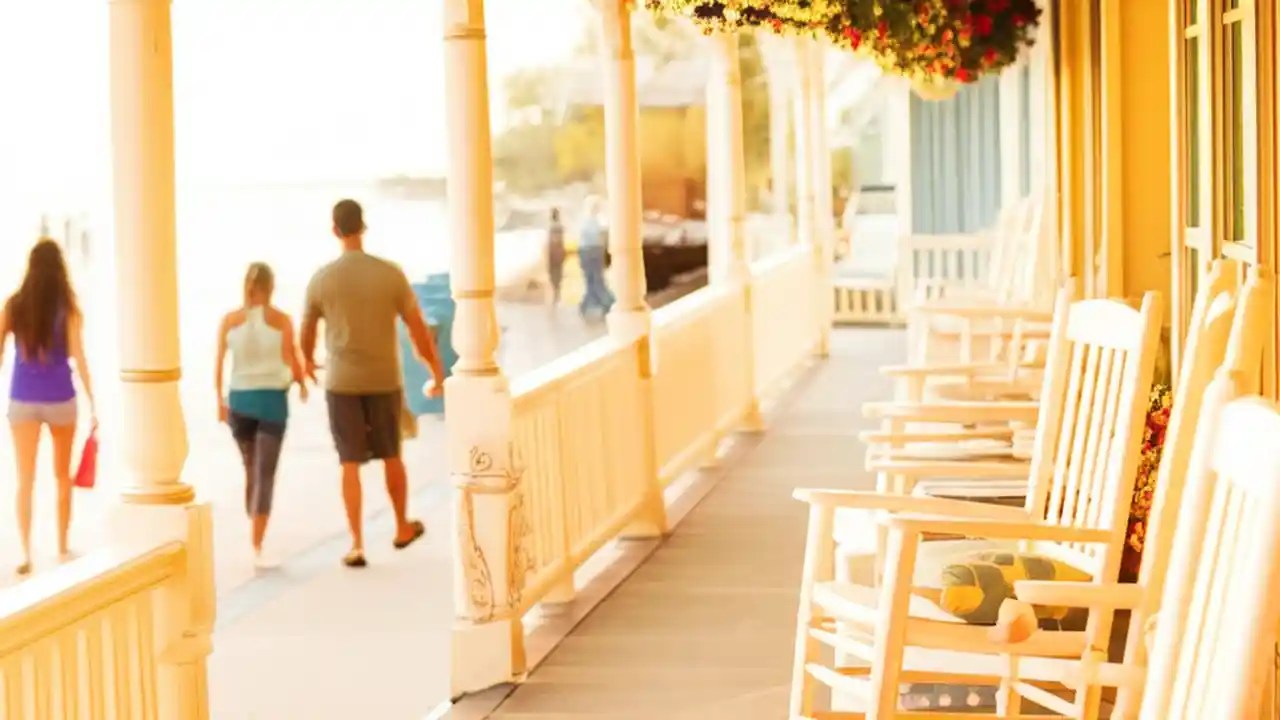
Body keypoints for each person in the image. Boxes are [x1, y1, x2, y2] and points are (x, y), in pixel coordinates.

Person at [300, 199, 446, 568]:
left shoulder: (321, 279)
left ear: (335, 230)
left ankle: (357, 544)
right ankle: (400, 526)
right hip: (384, 379)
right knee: (392, 454)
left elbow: (306, 334)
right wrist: (435, 372)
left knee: (349, 462)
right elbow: (418, 332)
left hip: (341, 382)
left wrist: (309, 364)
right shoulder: (390, 274)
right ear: (363, 228)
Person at [0, 239, 96, 576]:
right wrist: (93, 400)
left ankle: (26, 553)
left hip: (23, 400)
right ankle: (62, 546)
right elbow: (78, 356)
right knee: (61, 478)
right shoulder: (66, 308)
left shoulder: (14, 306)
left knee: (24, 480)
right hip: (60, 400)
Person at [215, 262, 307, 569]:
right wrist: (303, 381)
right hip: (271, 403)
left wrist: (219, 401)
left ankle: (254, 524)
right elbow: (291, 360)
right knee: (264, 473)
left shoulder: (230, 320)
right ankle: (256, 542)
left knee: (251, 469)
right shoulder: (281, 320)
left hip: (239, 402)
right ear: (271, 287)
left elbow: (219, 364)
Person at [577, 197, 615, 318]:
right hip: (595, 251)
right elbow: (603, 238)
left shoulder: (586, 221)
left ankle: (603, 303)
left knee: (592, 280)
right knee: (596, 279)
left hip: (587, 251)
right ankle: (601, 303)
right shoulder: (599, 221)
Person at [546, 208, 566, 305]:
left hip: (553, 253)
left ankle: (556, 295)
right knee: (557, 274)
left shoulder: (553, 227)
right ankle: (557, 294)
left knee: (554, 274)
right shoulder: (560, 226)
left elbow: (554, 240)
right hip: (558, 252)